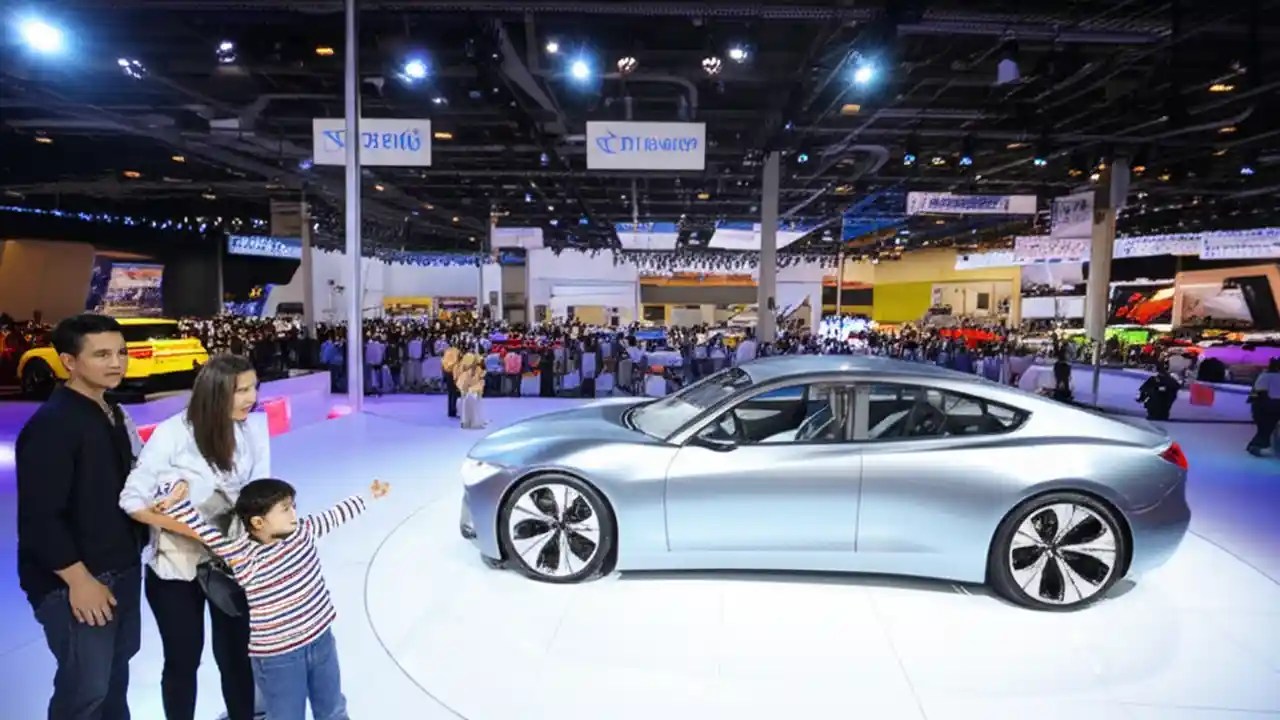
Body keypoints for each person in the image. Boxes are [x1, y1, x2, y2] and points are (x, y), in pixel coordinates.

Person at [156, 477, 391, 720]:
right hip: (279, 657)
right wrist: (177, 503)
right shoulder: (242, 555)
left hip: (320, 641)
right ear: (258, 522)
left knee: (333, 711)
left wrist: (368, 495)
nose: (294, 514)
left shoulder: (303, 532)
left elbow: (336, 514)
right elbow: (203, 531)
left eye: (293, 506)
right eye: (285, 509)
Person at [117, 355, 269, 720]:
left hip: (232, 568)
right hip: (175, 572)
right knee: (182, 661)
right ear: (216, 394)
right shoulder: (173, 433)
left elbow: (259, 495)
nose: (252, 397)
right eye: (242, 390)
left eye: (254, 388)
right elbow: (132, 501)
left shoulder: (251, 430)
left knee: (236, 659)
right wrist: (196, 530)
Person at [16, 314, 145, 720]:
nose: (116, 363)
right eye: (102, 354)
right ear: (69, 362)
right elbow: (39, 519)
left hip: (121, 566)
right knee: (85, 688)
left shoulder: (110, 411)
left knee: (114, 679)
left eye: (121, 352)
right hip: (77, 579)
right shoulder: (53, 426)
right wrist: (79, 582)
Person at [1247, 357, 1280, 456]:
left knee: (1266, 430)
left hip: (1268, 406)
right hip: (1266, 407)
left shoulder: (1265, 376)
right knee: (1265, 430)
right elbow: (1260, 394)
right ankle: (1256, 447)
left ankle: (1259, 446)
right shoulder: (1266, 376)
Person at [441, 340, 461, 418]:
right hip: (454, 373)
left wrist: (444, 375)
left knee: (450, 393)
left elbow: (442, 363)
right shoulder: (457, 352)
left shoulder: (446, 352)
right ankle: (453, 410)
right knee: (454, 393)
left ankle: (450, 411)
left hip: (447, 373)